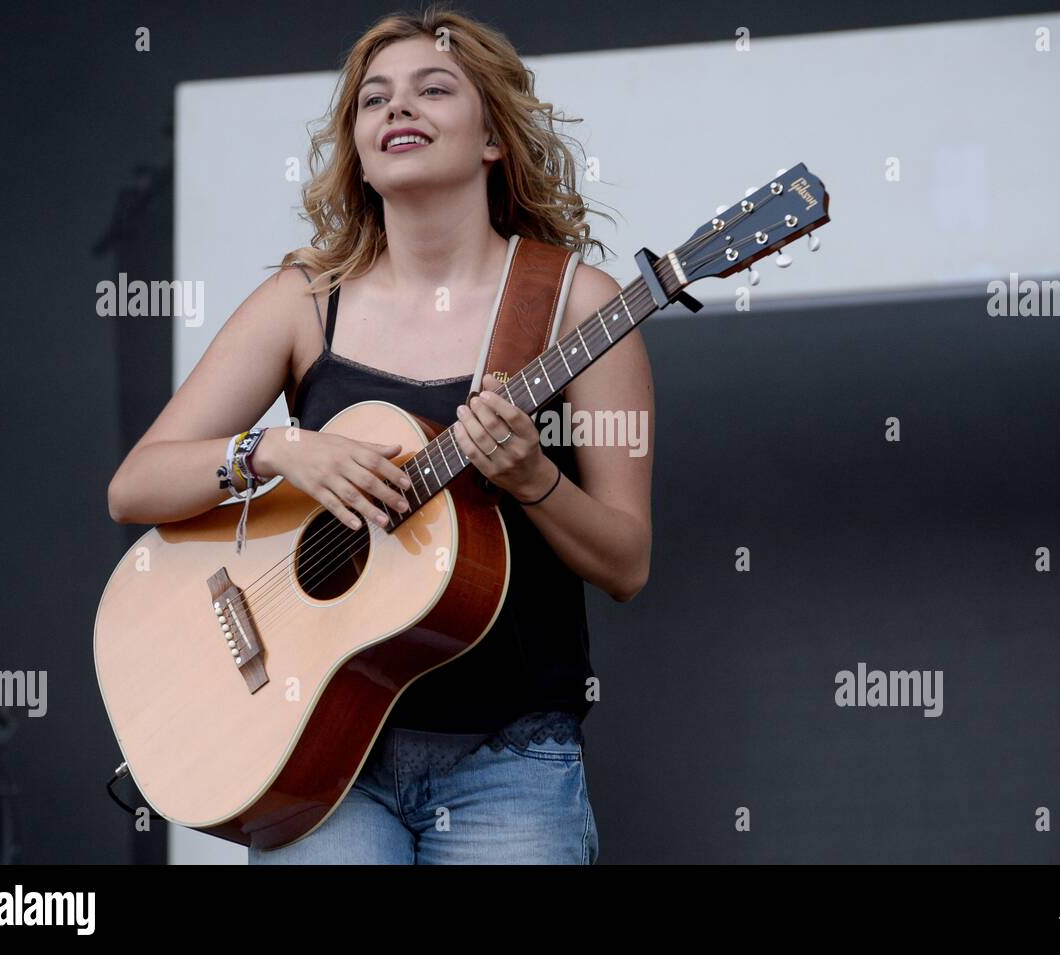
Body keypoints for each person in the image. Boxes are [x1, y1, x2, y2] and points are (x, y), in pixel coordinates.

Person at [106, 5, 653, 864]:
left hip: (509, 765)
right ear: (358, 150)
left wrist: (535, 479)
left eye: (434, 89)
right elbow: (134, 486)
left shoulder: (577, 306)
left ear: (492, 141)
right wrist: (278, 449)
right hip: (324, 762)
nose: (399, 109)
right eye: (374, 100)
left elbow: (627, 562)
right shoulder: (305, 301)